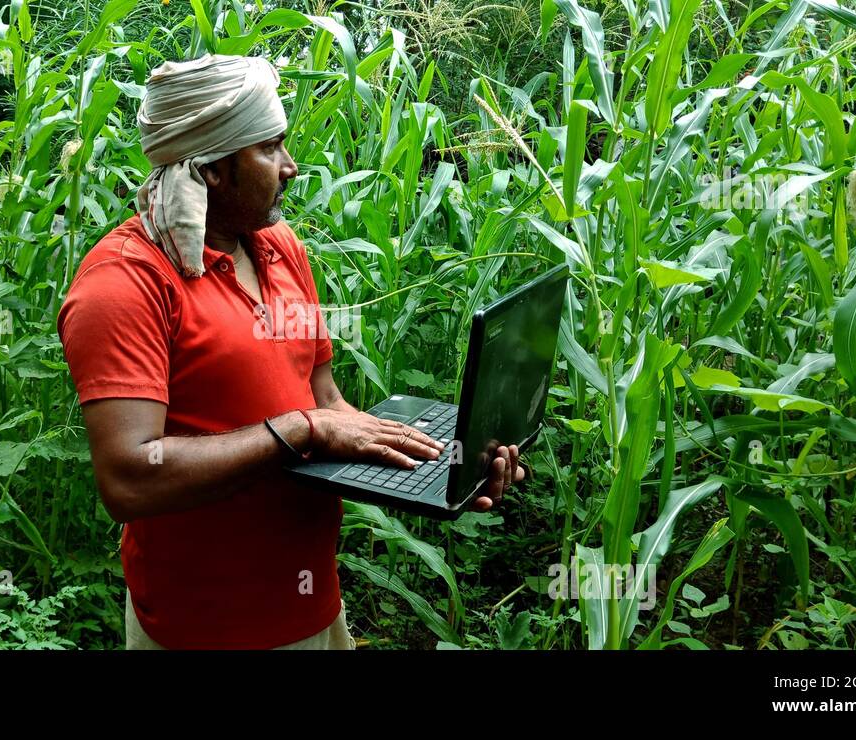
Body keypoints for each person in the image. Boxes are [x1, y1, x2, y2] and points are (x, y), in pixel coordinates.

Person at [57, 54, 526, 650]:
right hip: (205, 625)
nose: (291, 167)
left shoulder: (279, 249)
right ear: (215, 170)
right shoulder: (124, 286)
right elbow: (129, 479)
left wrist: (442, 464)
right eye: (269, 149)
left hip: (311, 601)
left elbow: (323, 397)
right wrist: (300, 430)